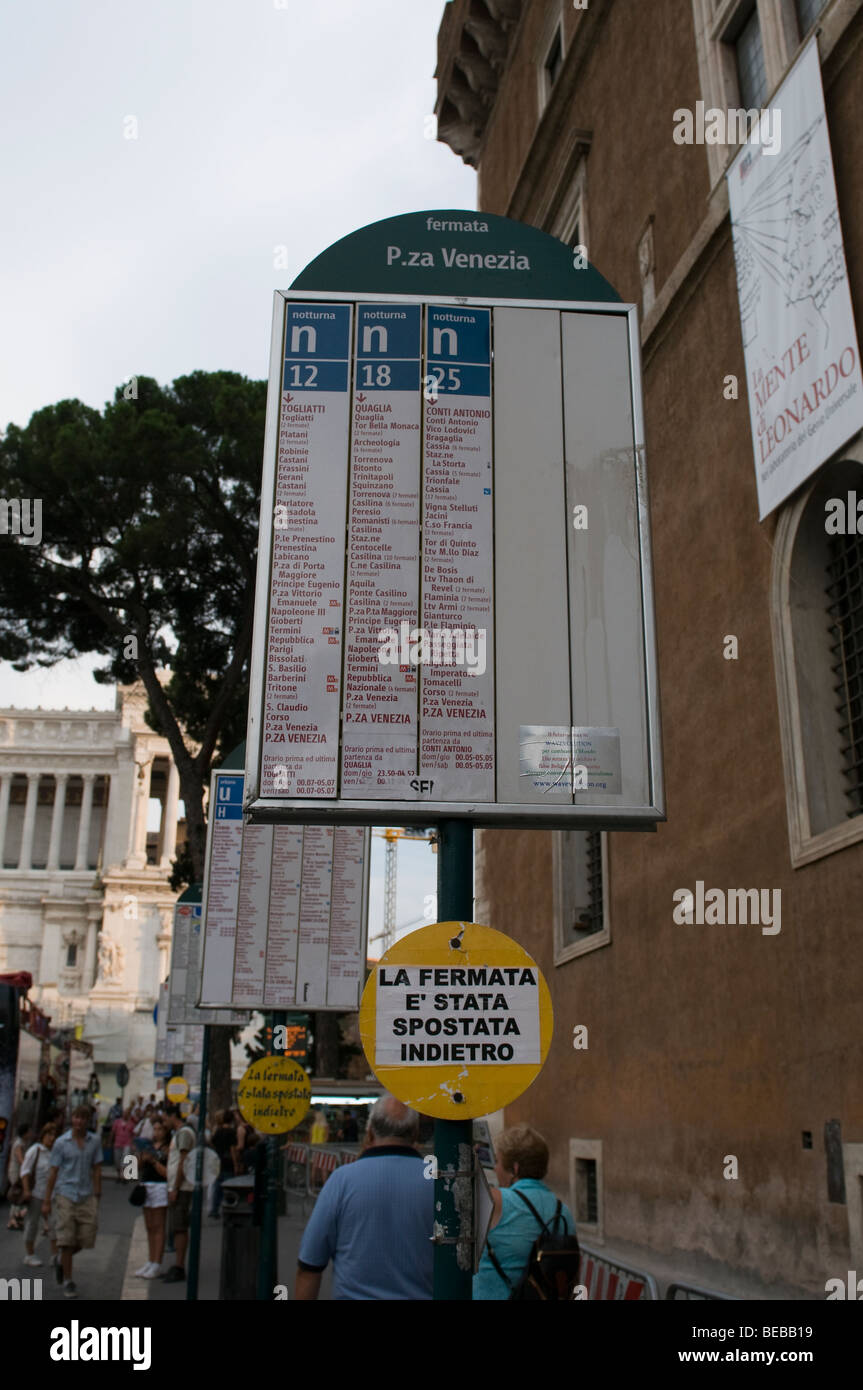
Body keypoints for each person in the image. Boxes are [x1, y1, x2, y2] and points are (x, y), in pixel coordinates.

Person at [295, 1095, 433, 1301]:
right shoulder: (438, 1183)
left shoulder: (342, 1180)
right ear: (415, 1134)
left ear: (369, 1132)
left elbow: (310, 1267)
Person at [473, 1124, 576, 1300]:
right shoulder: (563, 1211)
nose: (495, 1169)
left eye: (497, 1162)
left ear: (515, 1168)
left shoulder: (497, 1201)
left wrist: (472, 1161)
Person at [42, 1104, 103, 1299]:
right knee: (66, 1240)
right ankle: (68, 1279)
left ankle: (61, 1258)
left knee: (86, 1238)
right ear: (72, 1119)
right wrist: (46, 1200)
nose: (79, 1122)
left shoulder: (94, 1141)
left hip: (85, 1195)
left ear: (87, 1121)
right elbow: (53, 1172)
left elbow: (97, 1167)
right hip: (65, 1193)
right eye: (76, 1117)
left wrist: (97, 1192)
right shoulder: (61, 1143)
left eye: (82, 1118)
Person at [161, 1105, 196, 1283]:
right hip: (179, 1186)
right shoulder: (180, 1133)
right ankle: (178, 1264)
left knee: (179, 1226)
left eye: (165, 1117)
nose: (163, 1121)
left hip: (182, 1187)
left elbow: (184, 1160)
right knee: (177, 1226)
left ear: (172, 1116)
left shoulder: (184, 1133)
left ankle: (179, 1265)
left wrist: (175, 1187)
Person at [134, 1118, 170, 1278]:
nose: (156, 1132)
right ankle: (150, 1259)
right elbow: (134, 1169)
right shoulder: (148, 1146)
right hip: (146, 1185)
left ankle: (157, 1262)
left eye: (160, 1129)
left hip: (160, 1186)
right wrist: (141, 1158)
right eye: (154, 1129)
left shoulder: (167, 1148)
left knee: (158, 1226)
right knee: (149, 1226)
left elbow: (167, 1172)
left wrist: (154, 1161)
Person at [19, 1123, 58, 1265]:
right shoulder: (35, 1151)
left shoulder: (56, 1152)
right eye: (49, 1135)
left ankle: (55, 1255)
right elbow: (25, 1171)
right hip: (36, 1193)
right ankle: (29, 1254)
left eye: (54, 1135)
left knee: (55, 1224)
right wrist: (26, 1190)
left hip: (53, 1194)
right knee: (32, 1223)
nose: (52, 1138)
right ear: (43, 1136)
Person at [208, 1110, 237, 1218]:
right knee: (229, 1187)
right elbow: (232, 1149)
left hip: (218, 1160)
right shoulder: (231, 1132)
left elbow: (211, 1142)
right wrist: (236, 1164)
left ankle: (214, 1209)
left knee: (217, 1186)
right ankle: (228, 1208)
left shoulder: (218, 1131)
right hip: (228, 1161)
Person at [5, 1124, 33, 1230]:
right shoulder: (19, 1144)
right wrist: (28, 1168)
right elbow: (20, 1159)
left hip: (16, 1171)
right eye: (29, 1131)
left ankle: (15, 1219)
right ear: (25, 1133)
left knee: (17, 1195)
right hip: (16, 1172)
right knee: (16, 1195)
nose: (31, 1133)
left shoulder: (21, 1143)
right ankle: (13, 1219)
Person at [111, 1107, 136, 1181]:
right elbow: (113, 1132)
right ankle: (119, 1175)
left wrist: (133, 1144)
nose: (125, 1115)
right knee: (117, 1160)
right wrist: (110, 1141)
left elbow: (133, 1134)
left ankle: (124, 1176)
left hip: (127, 1143)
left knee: (125, 1160)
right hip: (117, 1143)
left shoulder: (131, 1124)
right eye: (124, 1113)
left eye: (127, 1114)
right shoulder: (117, 1122)